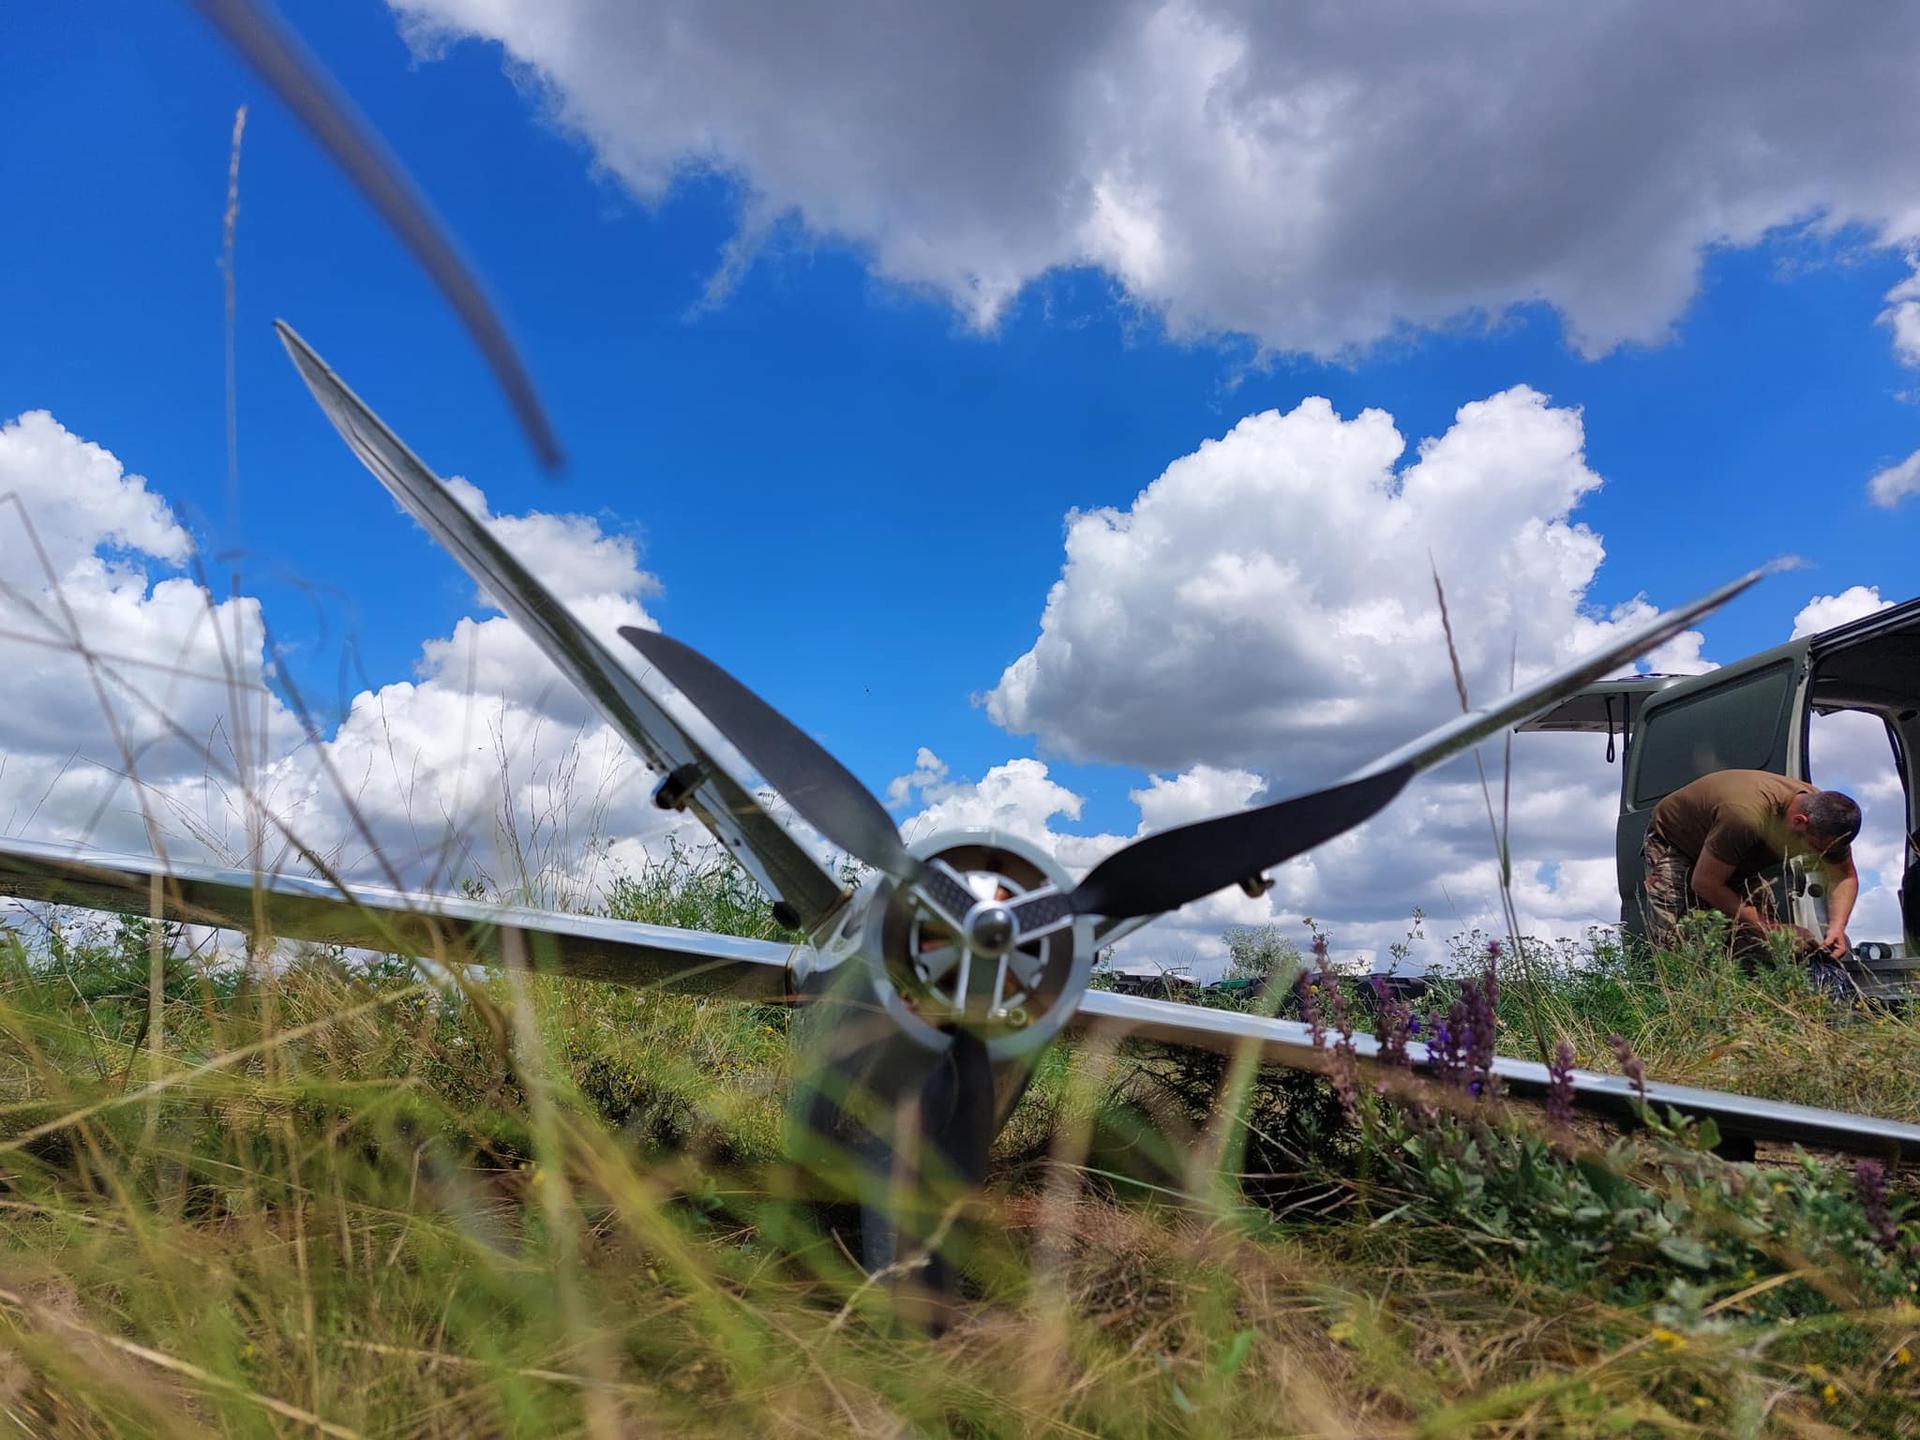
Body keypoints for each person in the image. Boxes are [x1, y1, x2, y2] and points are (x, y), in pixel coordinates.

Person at [1639, 769, 1860, 969]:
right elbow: (1705, 883)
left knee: (1771, 946)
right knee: (1678, 948)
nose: (1817, 857)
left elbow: (1844, 877)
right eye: (1814, 849)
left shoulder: (1830, 820)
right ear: (1799, 822)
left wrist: (1836, 927)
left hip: (1734, 856)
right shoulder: (1744, 816)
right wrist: (1772, 929)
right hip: (1678, 844)